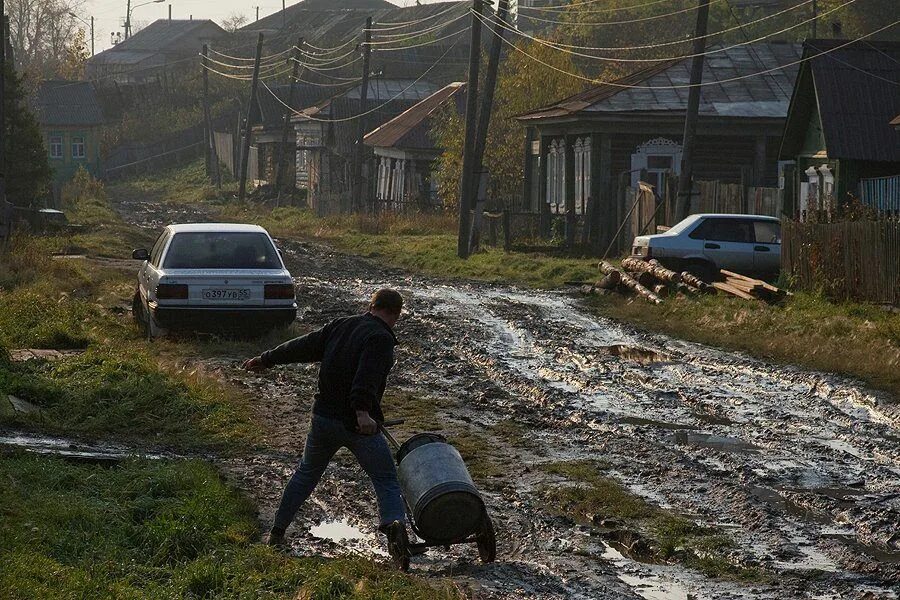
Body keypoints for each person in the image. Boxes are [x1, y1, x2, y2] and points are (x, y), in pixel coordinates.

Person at [242, 288, 410, 568]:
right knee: (385, 477)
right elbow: (366, 376)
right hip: (356, 424)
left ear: (372, 305)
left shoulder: (342, 325)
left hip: (323, 420)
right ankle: (395, 533)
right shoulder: (380, 338)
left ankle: (277, 532)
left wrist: (267, 358)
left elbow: (303, 346)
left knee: (306, 474)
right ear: (395, 313)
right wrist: (362, 413)